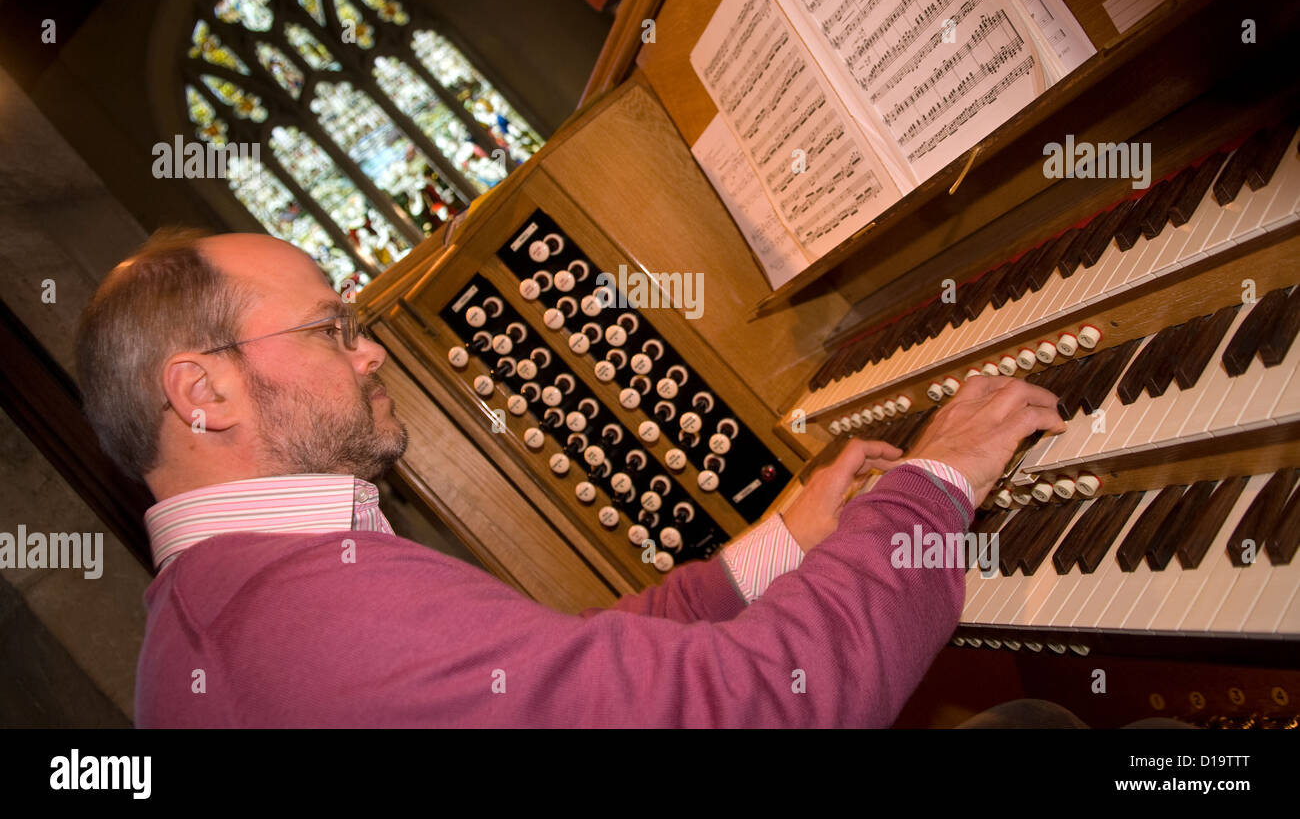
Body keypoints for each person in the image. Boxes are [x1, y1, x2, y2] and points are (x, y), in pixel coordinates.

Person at [76, 228, 1066, 727]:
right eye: (333, 328)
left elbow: (571, 669)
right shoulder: (300, 625)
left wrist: (781, 548)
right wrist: (933, 483)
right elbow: (750, 708)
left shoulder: (217, 611)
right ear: (202, 392)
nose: (370, 353)